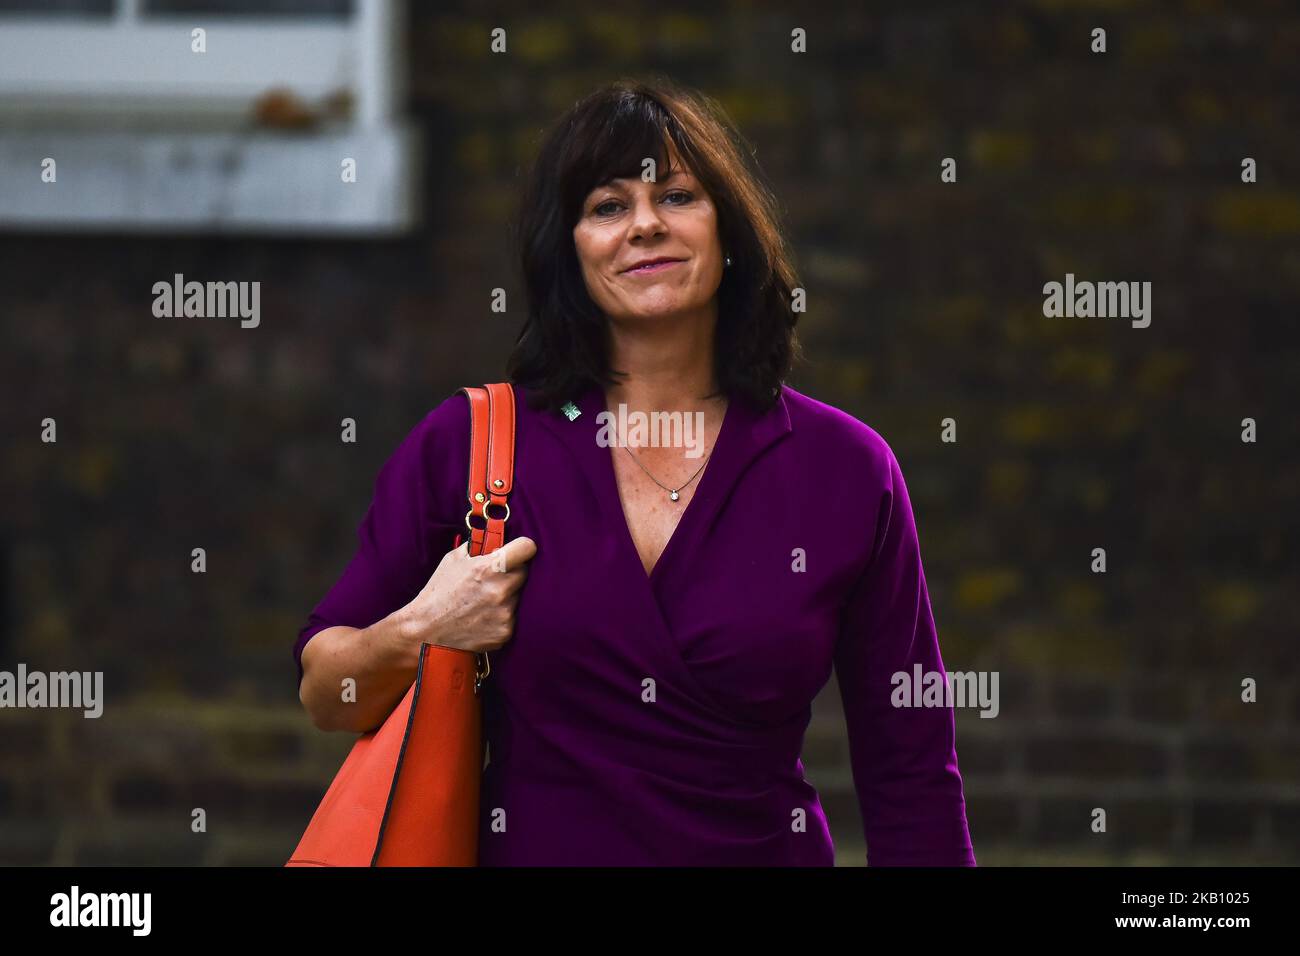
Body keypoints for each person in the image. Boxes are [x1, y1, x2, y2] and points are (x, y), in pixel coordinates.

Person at [296, 76, 976, 866]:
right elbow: (326, 692)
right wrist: (424, 629)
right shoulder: (475, 445)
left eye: (678, 196)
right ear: (570, 251)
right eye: (607, 207)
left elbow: (912, 766)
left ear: (729, 235)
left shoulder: (847, 471)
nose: (645, 225)